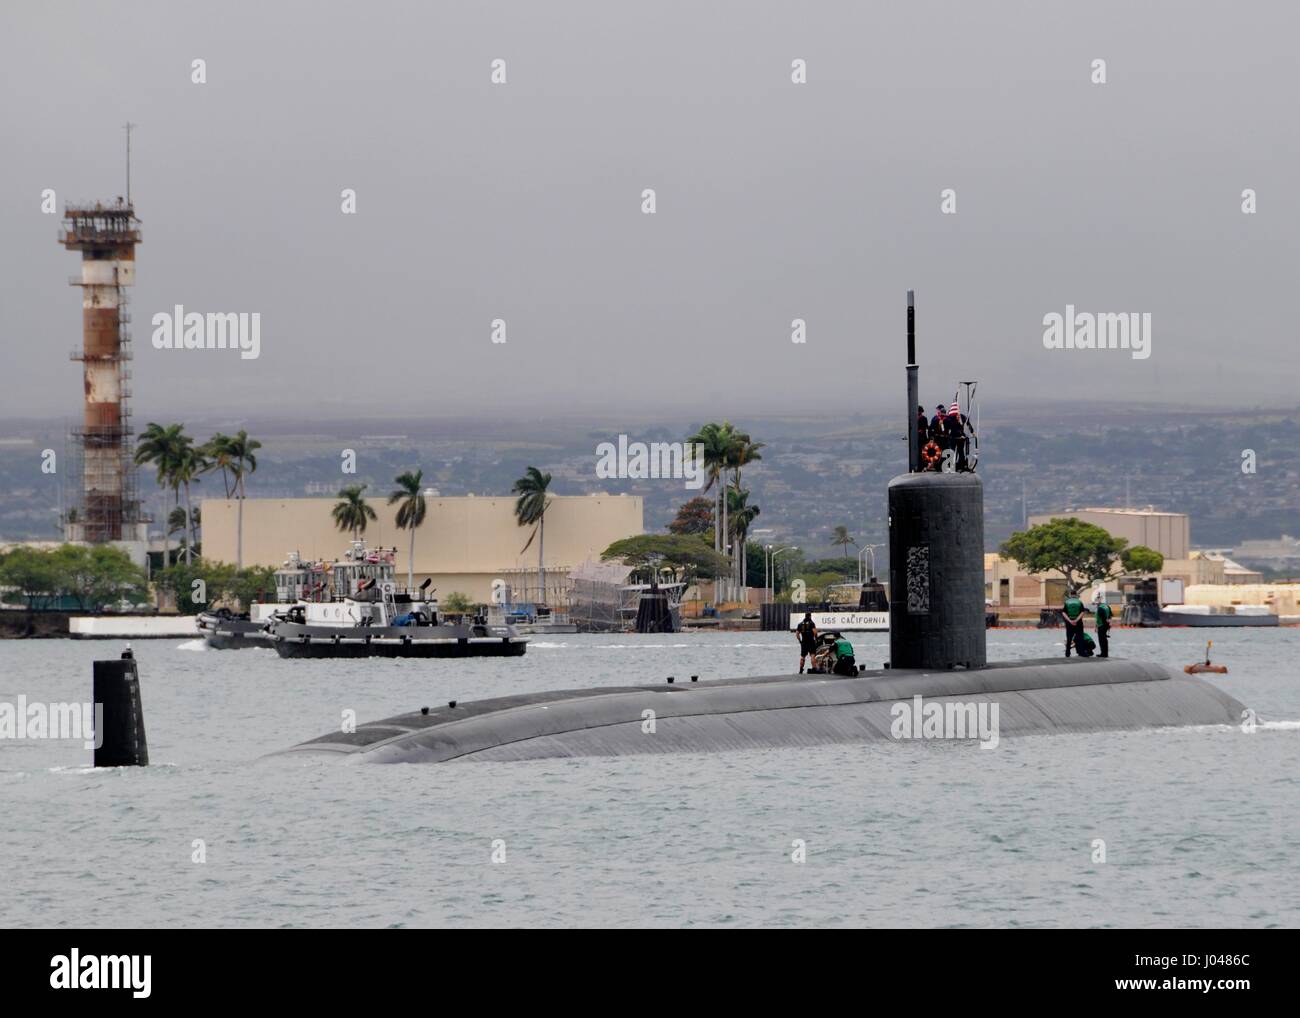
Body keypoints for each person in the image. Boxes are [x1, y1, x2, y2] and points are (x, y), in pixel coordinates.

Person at [1061, 589, 1086, 657]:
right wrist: (1076, 620)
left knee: (1069, 638)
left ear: (1070, 595)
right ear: (1076, 595)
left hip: (1069, 623)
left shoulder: (1067, 602)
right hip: (1078, 623)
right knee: (1080, 637)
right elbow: (1082, 612)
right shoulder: (1079, 602)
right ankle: (1082, 652)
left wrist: (1069, 620)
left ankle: (1067, 653)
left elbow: (1063, 612)